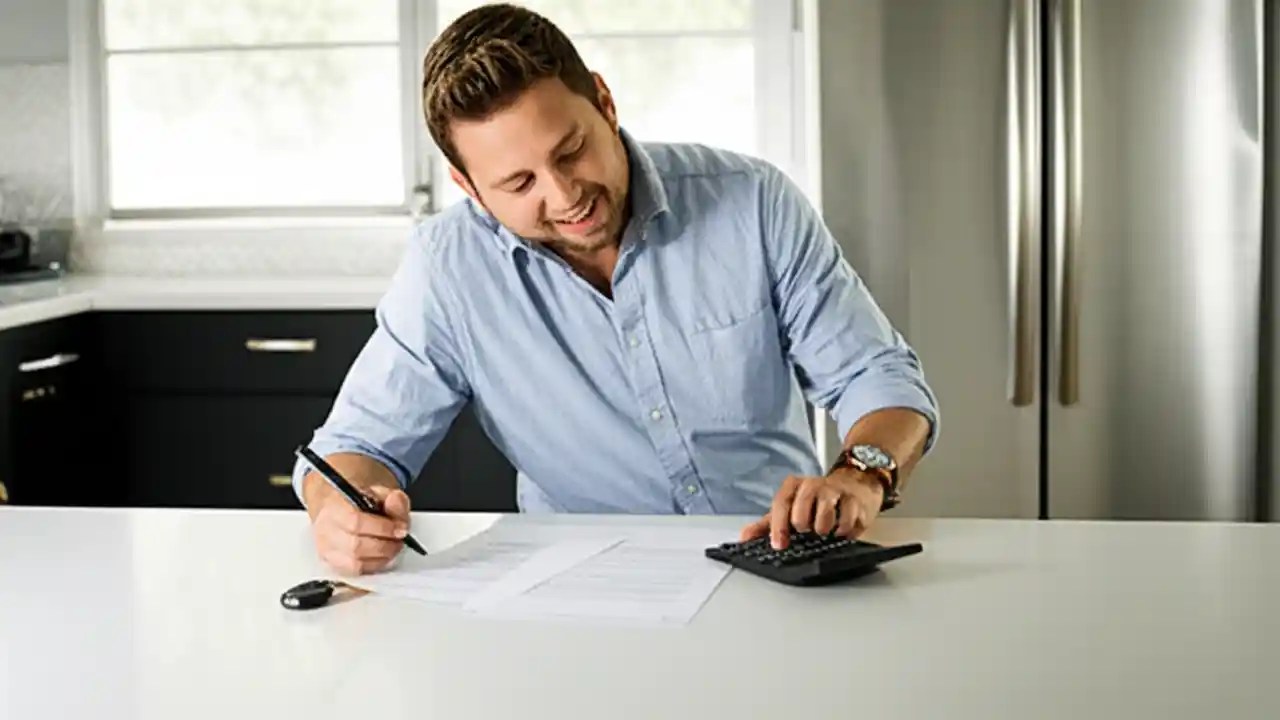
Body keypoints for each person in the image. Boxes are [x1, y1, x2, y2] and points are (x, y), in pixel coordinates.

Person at [293, 2, 940, 576]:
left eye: (571, 149)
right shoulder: (448, 268)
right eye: (519, 185)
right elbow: (356, 449)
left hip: (777, 565)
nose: (565, 195)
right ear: (470, 188)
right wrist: (345, 515)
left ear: (604, 101)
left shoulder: (751, 202)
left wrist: (861, 476)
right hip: (583, 590)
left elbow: (878, 377)